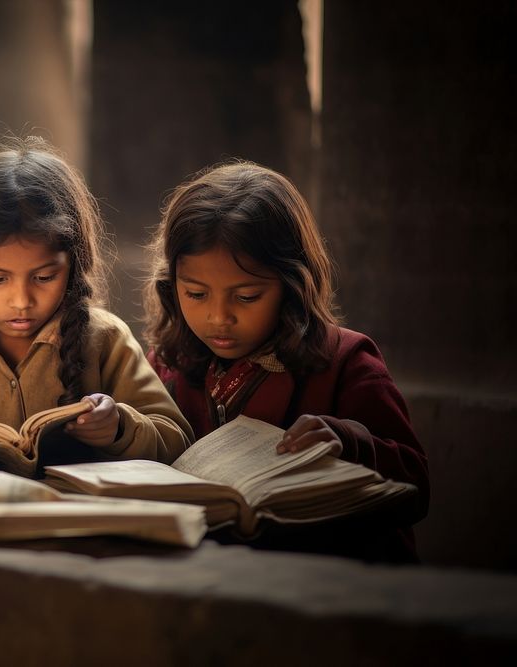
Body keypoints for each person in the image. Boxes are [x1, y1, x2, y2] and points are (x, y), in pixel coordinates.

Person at [143, 160, 429, 561]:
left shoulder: (345, 362)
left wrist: (349, 442)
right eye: (196, 294)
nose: (219, 317)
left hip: (328, 582)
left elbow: (415, 488)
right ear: (171, 286)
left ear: (292, 285)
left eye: (246, 297)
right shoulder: (169, 366)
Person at [0, 136, 192, 490]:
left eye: (44, 277)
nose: (22, 300)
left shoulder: (105, 341)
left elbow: (177, 438)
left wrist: (119, 426)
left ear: (73, 265)